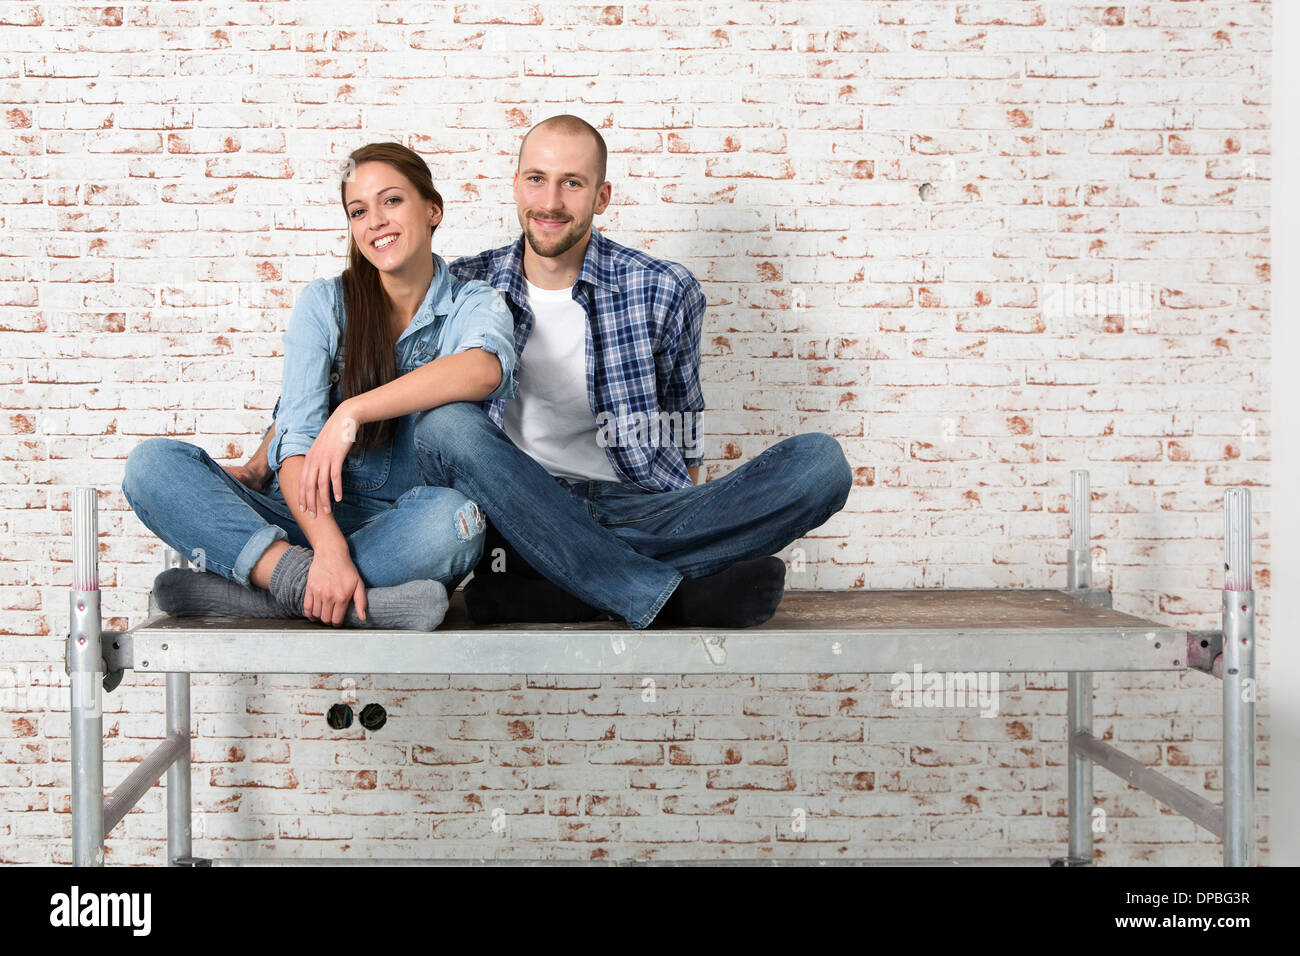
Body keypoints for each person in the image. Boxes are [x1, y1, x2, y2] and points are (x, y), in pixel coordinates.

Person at [238, 115, 853, 630]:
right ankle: (670, 592)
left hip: (631, 506)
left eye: (572, 184)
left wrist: (693, 516)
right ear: (516, 186)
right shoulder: (469, 289)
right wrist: (269, 453)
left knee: (820, 463)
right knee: (448, 426)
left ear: (601, 197)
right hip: (513, 513)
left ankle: (570, 584)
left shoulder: (664, 289)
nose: (551, 202)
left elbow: (680, 428)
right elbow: (359, 380)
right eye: (536, 180)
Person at [121, 142, 516, 630]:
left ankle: (268, 596)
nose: (375, 221)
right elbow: (294, 444)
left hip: (393, 529)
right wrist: (326, 549)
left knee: (457, 523)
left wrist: (351, 411)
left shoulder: (473, 303)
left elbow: (484, 368)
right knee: (151, 467)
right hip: (294, 523)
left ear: (433, 209)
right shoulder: (326, 303)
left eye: (391, 201)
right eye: (358, 210)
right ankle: (331, 593)